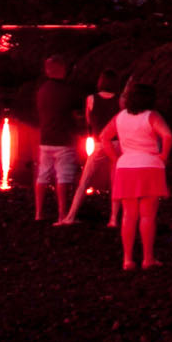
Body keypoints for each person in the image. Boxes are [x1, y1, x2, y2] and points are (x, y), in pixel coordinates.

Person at [107, 82, 172, 271]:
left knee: (128, 215)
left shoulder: (120, 117)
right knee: (147, 216)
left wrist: (116, 159)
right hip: (149, 166)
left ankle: (127, 259)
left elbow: (104, 137)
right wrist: (164, 156)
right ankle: (147, 258)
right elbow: (167, 136)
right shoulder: (152, 116)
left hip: (126, 167)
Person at [59, 70, 124, 226]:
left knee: (85, 181)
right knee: (115, 181)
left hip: (99, 143)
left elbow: (88, 122)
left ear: (101, 82)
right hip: (116, 143)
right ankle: (113, 219)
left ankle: (70, 216)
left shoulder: (91, 99)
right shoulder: (120, 100)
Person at [27, 55, 80, 222]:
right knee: (64, 176)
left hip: (45, 138)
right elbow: (76, 111)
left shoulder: (42, 91)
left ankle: (39, 213)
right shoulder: (68, 91)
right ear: (62, 69)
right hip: (63, 139)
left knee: (43, 175)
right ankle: (62, 214)